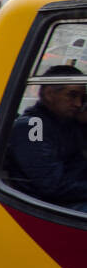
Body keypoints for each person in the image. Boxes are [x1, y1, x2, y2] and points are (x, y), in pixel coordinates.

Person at [8, 65, 87, 212]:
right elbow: (51, 185)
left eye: (82, 98)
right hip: (51, 206)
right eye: (72, 95)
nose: (78, 104)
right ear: (50, 94)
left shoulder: (68, 123)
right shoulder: (32, 126)